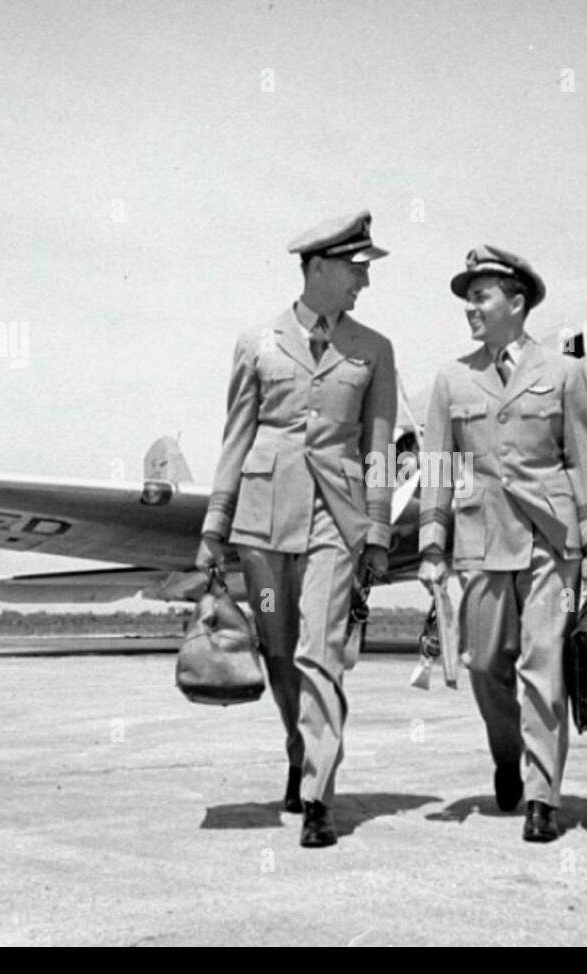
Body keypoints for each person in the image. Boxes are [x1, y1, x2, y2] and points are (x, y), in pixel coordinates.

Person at [197, 211, 396, 848]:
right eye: (354, 269)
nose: (362, 282)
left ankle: (318, 796)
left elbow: (381, 448)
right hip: (261, 521)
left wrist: (379, 529)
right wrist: (214, 527)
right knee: (279, 649)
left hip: (337, 519)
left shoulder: (375, 349)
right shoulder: (257, 342)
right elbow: (236, 439)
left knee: (320, 652)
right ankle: (297, 745)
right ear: (316, 268)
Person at [418, 245, 587, 843]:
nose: (470, 308)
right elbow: (438, 468)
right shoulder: (452, 379)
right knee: (485, 668)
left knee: (543, 667)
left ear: (516, 302)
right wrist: (432, 544)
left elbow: (584, 462)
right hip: (479, 541)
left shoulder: (564, 374)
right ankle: (506, 754)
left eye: (480, 296)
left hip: (551, 544)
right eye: (468, 298)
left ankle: (541, 796)